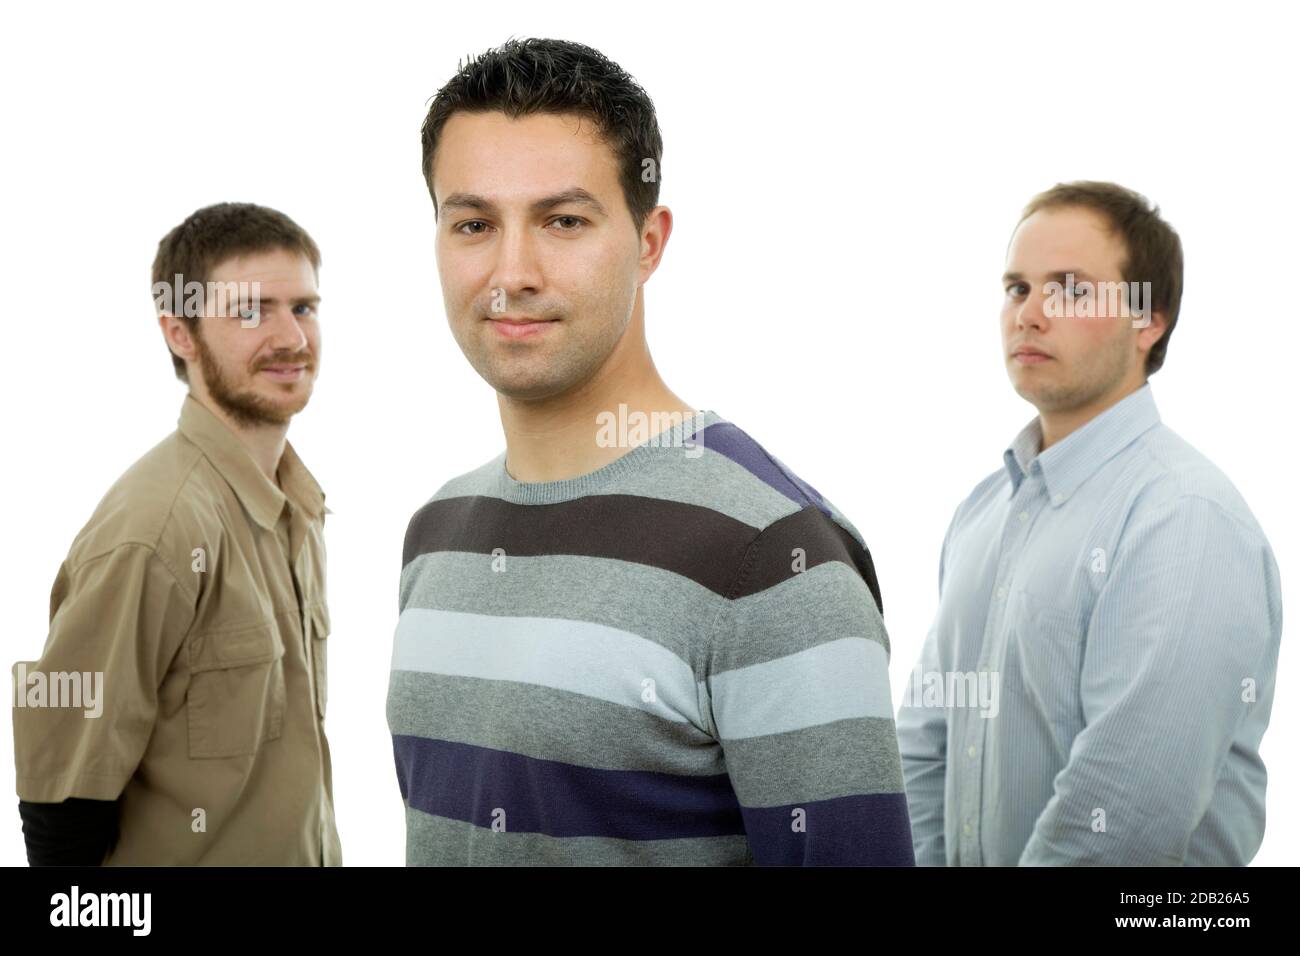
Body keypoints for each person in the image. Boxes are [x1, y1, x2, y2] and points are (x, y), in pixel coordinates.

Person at [388, 37, 914, 865]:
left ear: (649, 241)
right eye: (474, 223)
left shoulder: (774, 553)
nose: (511, 271)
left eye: (564, 220)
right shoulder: (436, 532)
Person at [896, 181, 1282, 865]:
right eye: (1017, 288)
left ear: (1149, 320)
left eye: (1070, 289)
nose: (1030, 314)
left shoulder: (1182, 518)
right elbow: (924, 747)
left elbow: (1127, 811)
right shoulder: (983, 512)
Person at [12, 202, 341, 865]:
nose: (292, 338)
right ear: (180, 333)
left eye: (303, 307)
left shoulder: (296, 507)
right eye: (252, 311)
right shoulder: (155, 529)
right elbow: (62, 803)